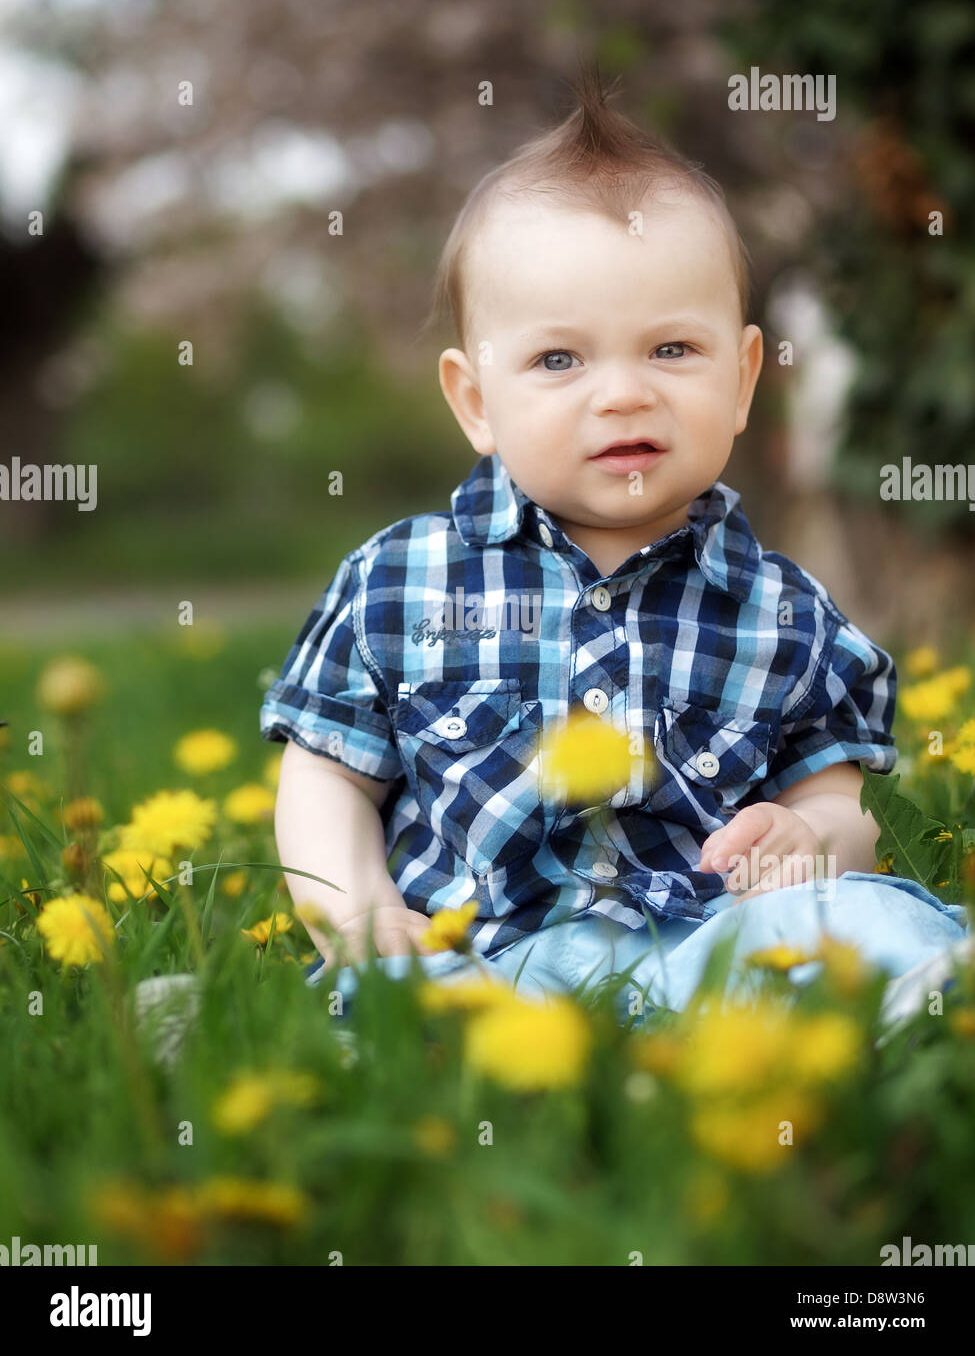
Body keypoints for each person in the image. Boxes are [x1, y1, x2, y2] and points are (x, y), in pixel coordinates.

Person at [259, 71, 968, 1026]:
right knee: (386, 1011)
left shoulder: (784, 612)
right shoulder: (398, 582)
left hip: (712, 965)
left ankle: (899, 998)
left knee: (875, 921)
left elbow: (840, 806)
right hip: (483, 969)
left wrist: (805, 836)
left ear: (746, 375)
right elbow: (327, 776)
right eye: (560, 360)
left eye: (672, 349)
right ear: (475, 401)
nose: (623, 393)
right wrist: (362, 917)